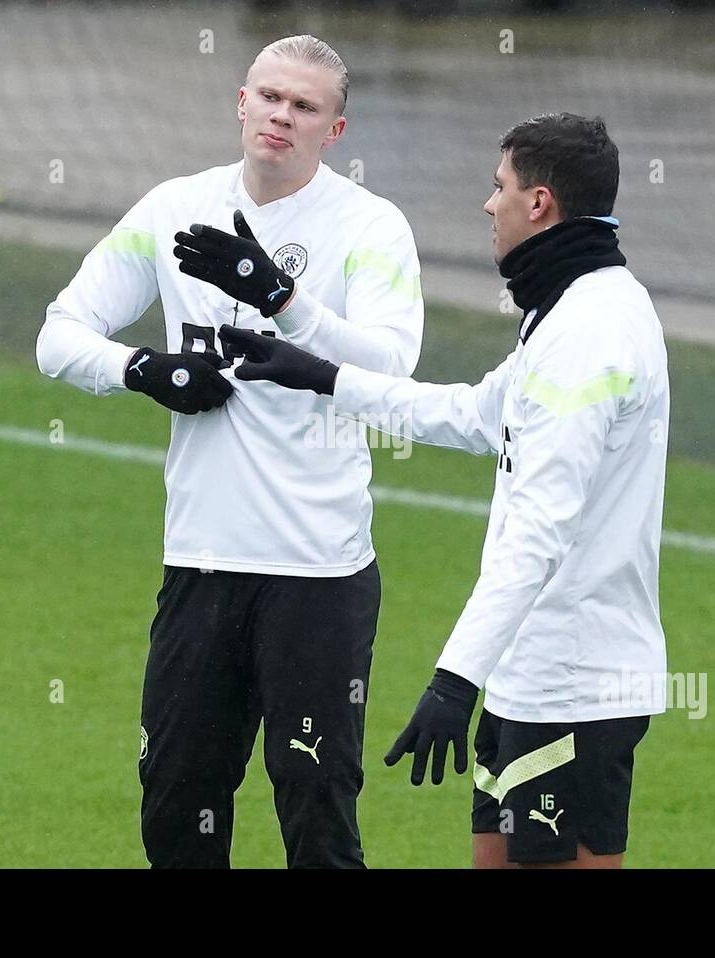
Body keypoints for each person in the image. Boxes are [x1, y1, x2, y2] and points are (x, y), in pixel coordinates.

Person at [218, 113, 669, 870]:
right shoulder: (562, 311)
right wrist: (322, 375)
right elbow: (475, 413)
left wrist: (453, 681)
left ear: (541, 203)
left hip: (574, 683)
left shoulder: (591, 335)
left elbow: (539, 529)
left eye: (499, 187)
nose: (486, 205)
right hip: (527, 678)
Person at [35, 35, 424, 869]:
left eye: (305, 106)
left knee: (316, 816)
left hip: (317, 574)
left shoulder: (370, 227)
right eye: (270, 97)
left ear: (336, 130)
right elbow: (58, 335)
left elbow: (394, 367)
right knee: (176, 806)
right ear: (240, 103)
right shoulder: (176, 205)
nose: (283, 115)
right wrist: (144, 369)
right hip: (203, 562)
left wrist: (284, 300)